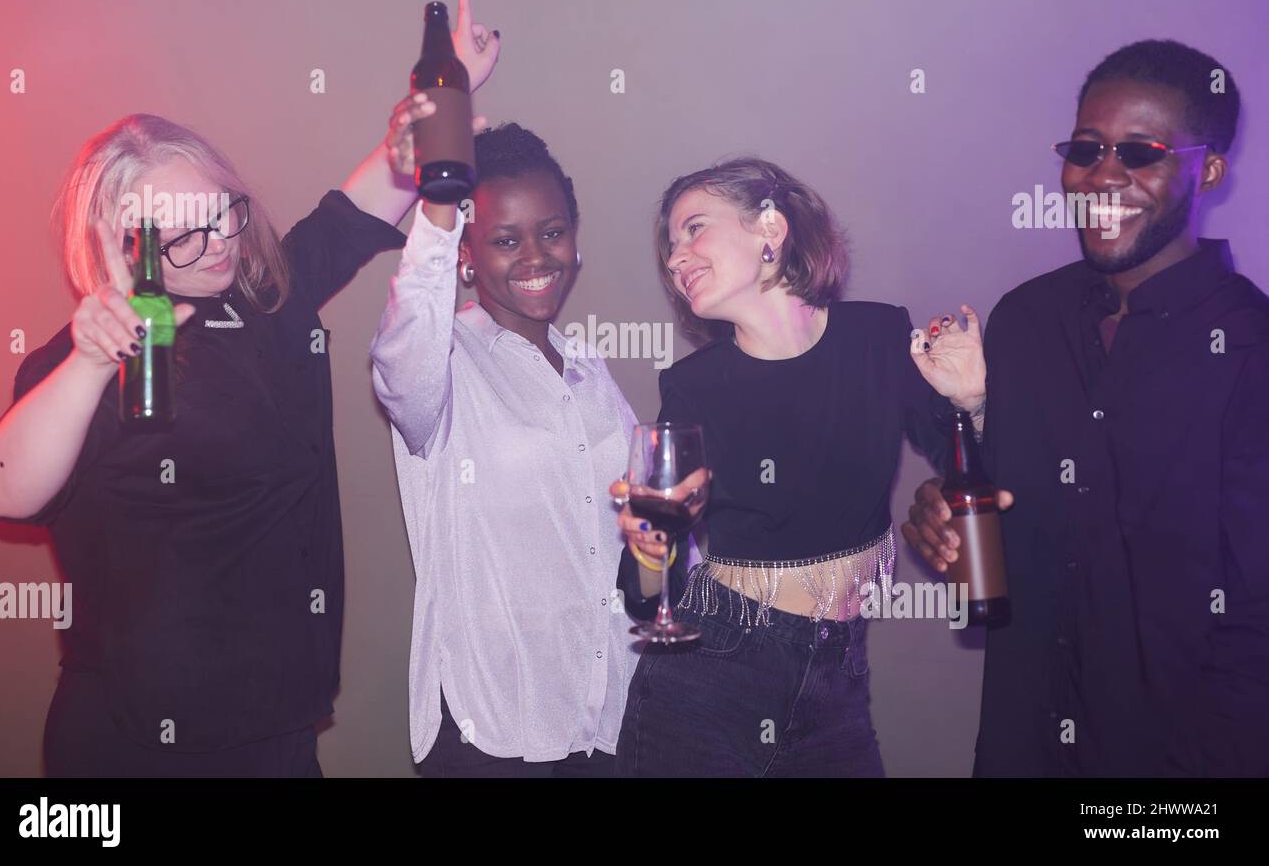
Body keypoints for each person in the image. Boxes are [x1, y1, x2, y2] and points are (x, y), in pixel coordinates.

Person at [0, 0, 500, 776]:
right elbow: (4, 492)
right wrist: (88, 360)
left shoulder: (265, 297)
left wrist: (442, 97)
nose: (217, 244)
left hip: (276, 724)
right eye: (180, 237)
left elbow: (352, 213)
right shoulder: (109, 352)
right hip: (140, 743)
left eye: (223, 212)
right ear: (118, 244)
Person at [902, 39, 1269, 777]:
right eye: (1087, 148)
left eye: (1142, 151)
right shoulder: (1026, 319)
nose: (1104, 175)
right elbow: (1003, 500)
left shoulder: (1251, 348)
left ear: (1210, 169)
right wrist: (944, 510)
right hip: (1019, 745)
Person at [610, 157, 986, 776]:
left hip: (838, 672)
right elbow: (647, 598)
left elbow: (973, 476)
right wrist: (650, 548)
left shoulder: (879, 338)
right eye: (670, 248)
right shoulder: (692, 387)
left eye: (694, 229)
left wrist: (971, 405)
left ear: (770, 228)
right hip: (712, 674)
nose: (676, 259)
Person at [370, 123, 641, 776]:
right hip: (491, 728)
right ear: (465, 254)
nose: (536, 257)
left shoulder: (589, 370)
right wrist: (439, 201)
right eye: (505, 240)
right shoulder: (440, 365)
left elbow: (632, 538)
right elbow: (406, 339)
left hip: (606, 717)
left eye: (551, 233)